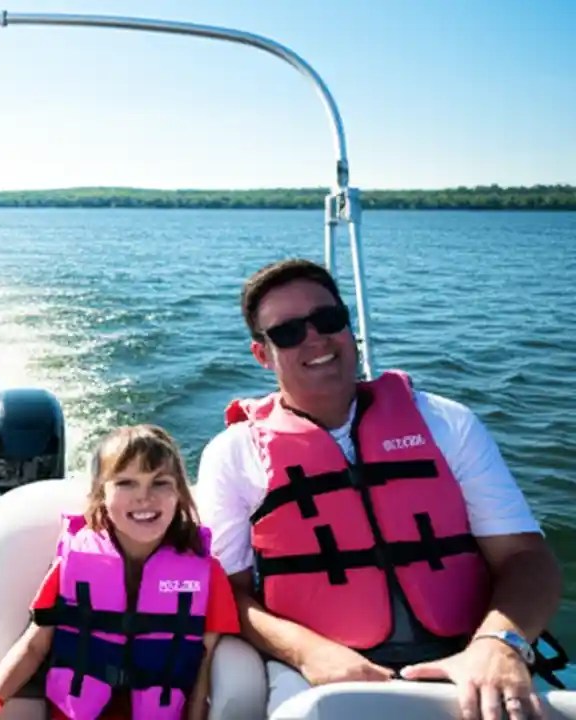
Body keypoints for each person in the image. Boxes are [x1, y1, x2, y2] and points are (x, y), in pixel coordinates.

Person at [194, 258, 563, 719]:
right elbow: (229, 593)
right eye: (288, 332)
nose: (314, 338)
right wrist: (309, 652)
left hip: (469, 657)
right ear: (262, 354)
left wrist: (498, 643)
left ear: (349, 327)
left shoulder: (447, 423)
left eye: (328, 320)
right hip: (317, 675)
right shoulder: (233, 454)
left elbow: (525, 558)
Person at [0, 424, 239, 720]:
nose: (144, 497)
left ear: (179, 493)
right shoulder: (74, 564)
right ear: (101, 495)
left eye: (160, 483)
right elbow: (35, 644)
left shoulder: (206, 574)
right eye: (126, 483)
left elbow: (203, 670)